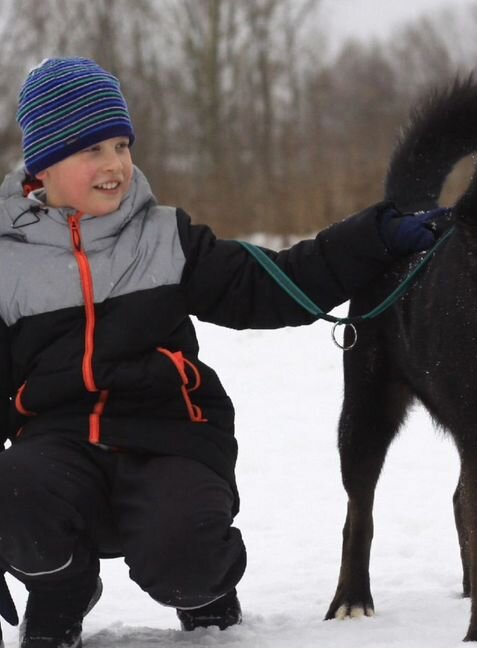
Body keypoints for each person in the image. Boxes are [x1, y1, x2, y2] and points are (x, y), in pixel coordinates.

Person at [0, 57, 444, 648]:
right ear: (44, 164)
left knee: (184, 553)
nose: (114, 165)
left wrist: (379, 236)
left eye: (120, 145)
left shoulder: (165, 238)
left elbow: (273, 284)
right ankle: (61, 591)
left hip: (170, 436)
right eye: (91, 151)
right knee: (11, 494)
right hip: (56, 445)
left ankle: (205, 590)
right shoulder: (9, 263)